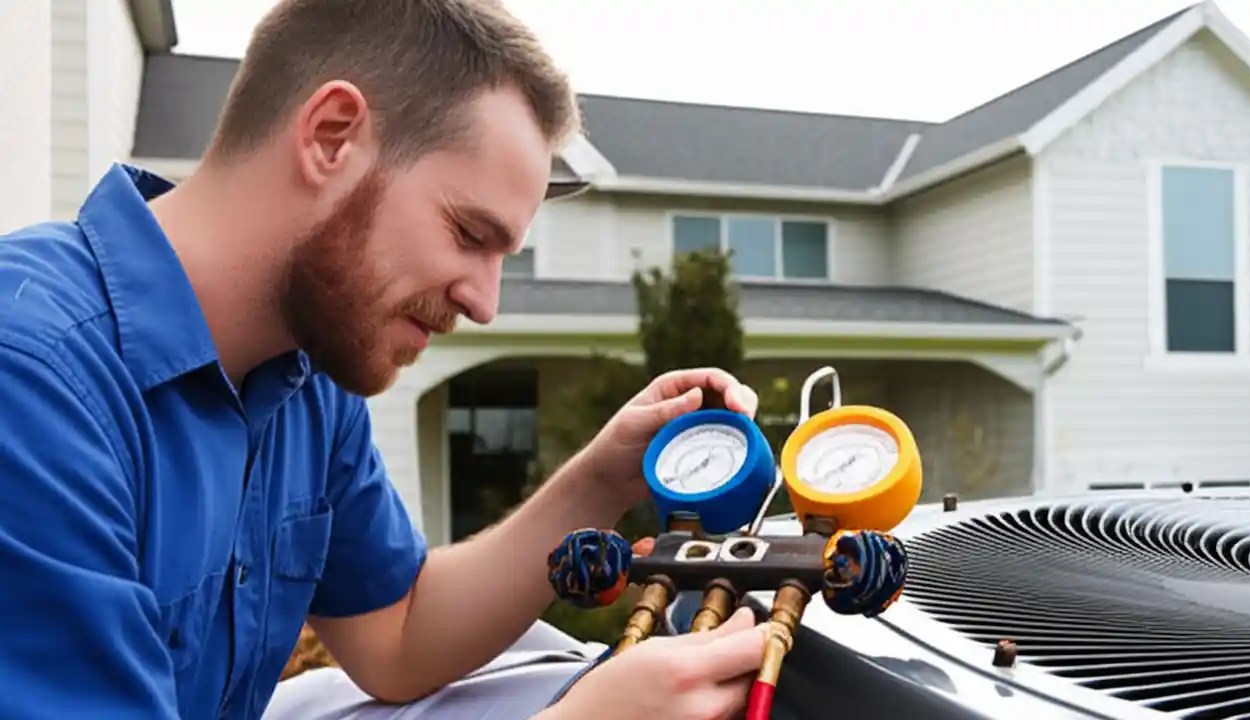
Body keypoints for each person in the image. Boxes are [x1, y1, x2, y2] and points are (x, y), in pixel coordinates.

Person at [0, 0, 770, 718]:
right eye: (470, 235)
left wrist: (605, 477)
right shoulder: (32, 377)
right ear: (332, 134)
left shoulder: (303, 378)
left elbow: (398, 637)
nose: (484, 303)